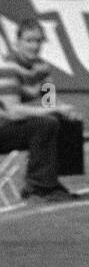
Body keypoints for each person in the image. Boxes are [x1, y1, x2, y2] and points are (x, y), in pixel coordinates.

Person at [0, 18, 82, 202]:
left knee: (67, 120)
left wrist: (65, 111)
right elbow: (12, 111)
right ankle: (38, 187)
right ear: (17, 42)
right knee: (45, 124)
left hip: (12, 126)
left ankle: (52, 181)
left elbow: (49, 102)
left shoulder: (42, 67)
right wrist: (53, 110)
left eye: (38, 41)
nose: (35, 46)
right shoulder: (7, 67)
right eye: (29, 40)